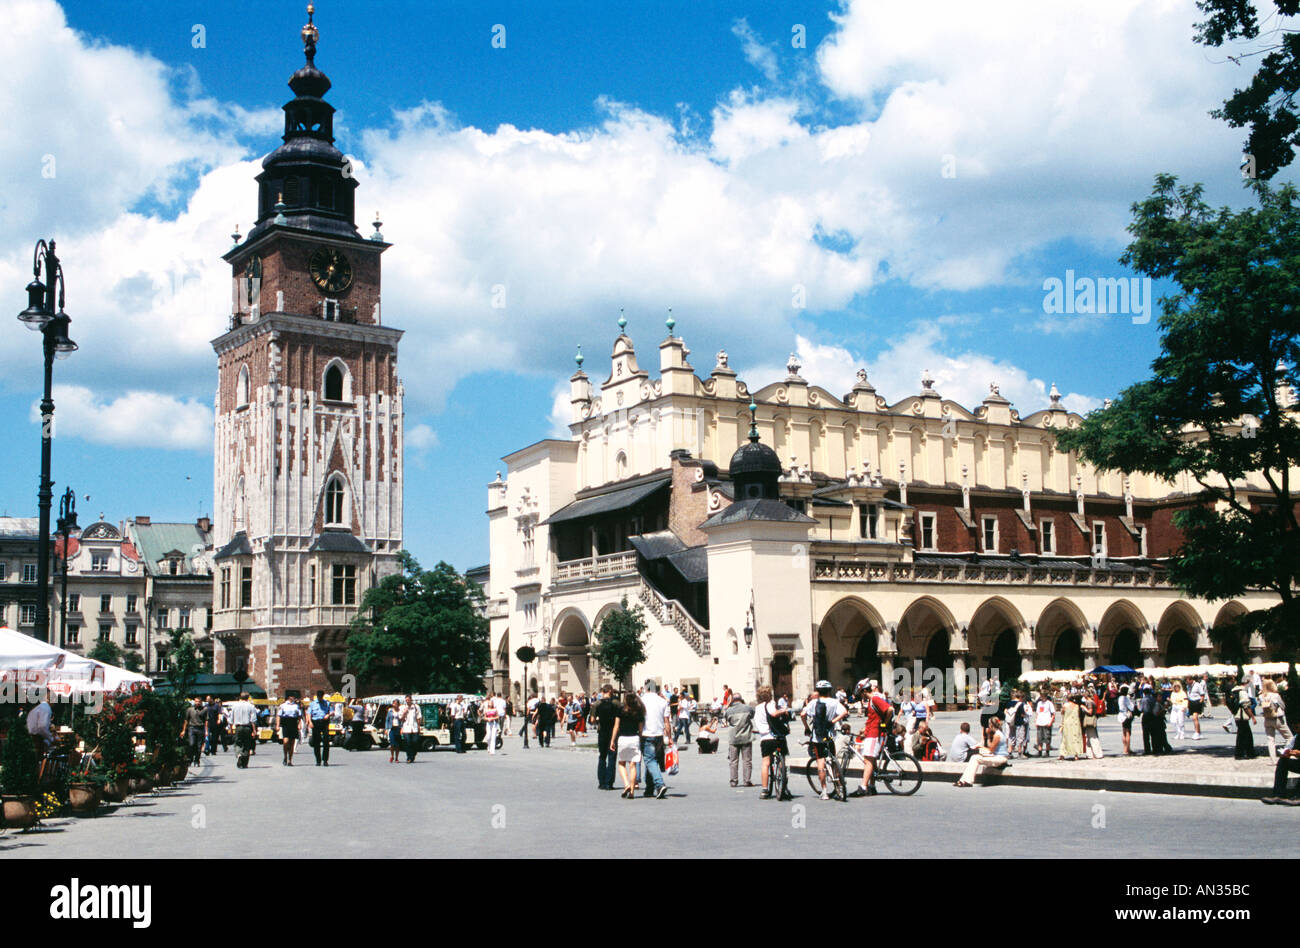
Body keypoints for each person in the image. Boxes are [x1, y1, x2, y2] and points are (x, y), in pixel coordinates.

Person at [802, 680, 848, 800]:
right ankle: (838, 783)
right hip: (830, 735)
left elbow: (802, 714)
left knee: (820, 762)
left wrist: (806, 727)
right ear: (829, 690)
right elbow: (844, 712)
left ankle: (824, 791)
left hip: (818, 736)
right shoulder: (834, 702)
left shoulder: (813, 703)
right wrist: (833, 721)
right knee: (833, 759)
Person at [849, 680, 893, 798]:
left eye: (860, 692)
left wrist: (884, 723)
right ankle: (872, 786)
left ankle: (863, 787)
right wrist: (865, 729)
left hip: (875, 734)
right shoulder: (871, 701)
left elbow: (889, 709)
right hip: (870, 733)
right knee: (871, 760)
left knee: (868, 760)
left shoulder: (874, 699)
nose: (860, 695)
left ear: (864, 691)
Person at [753, 685, 790, 800]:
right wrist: (784, 710)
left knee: (765, 763)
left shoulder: (757, 708)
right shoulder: (769, 704)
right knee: (781, 759)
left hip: (764, 738)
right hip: (775, 736)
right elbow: (774, 714)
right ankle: (784, 786)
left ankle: (764, 790)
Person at [639, 680, 672, 799]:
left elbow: (640, 719)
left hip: (646, 733)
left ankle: (659, 784)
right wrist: (670, 737)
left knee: (649, 760)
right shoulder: (663, 701)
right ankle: (649, 789)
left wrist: (639, 733)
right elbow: (667, 722)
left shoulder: (641, 700)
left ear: (646, 688)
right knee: (653, 760)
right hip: (659, 735)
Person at [609, 691, 645, 798]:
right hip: (634, 738)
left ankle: (626, 784)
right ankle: (632, 791)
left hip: (623, 738)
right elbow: (641, 729)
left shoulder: (620, 710)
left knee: (621, 763)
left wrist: (612, 740)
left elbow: (616, 726)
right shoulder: (638, 712)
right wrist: (641, 739)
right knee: (633, 765)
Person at [954, 717, 1008, 787]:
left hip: (1000, 758)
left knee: (975, 758)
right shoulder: (999, 733)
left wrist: (983, 743)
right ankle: (964, 780)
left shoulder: (997, 735)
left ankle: (967, 781)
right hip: (998, 756)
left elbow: (991, 750)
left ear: (991, 725)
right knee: (974, 757)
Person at [724, 692, 755, 788]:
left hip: (733, 738)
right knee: (747, 760)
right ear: (741, 699)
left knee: (733, 761)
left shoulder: (729, 710)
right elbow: (752, 715)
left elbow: (726, 718)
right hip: (746, 737)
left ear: (733, 700)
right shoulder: (748, 708)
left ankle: (733, 781)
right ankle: (747, 780)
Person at [1261, 733, 1300, 805]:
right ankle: (1279, 795)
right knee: (1283, 761)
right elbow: (1288, 748)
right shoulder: (1296, 737)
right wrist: (1286, 753)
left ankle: (1298, 797)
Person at [1259, 679, 1293, 761]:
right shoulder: (1276, 696)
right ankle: (1285, 754)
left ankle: (1273, 759)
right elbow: (1283, 706)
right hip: (1277, 718)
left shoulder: (1261, 696)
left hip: (1267, 719)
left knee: (1270, 740)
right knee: (1290, 738)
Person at [593, 685, 619, 789]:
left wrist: (598, 721)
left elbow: (592, 720)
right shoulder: (616, 703)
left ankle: (601, 781)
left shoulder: (597, 704)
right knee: (612, 757)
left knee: (602, 756)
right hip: (613, 732)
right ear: (610, 691)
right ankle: (609, 782)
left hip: (602, 732)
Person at [1229, 678, 1257, 759]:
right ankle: (1245, 753)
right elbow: (1245, 706)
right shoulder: (1243, 692)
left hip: (1237, 715)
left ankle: (1243, 753)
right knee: (1246, 736)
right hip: (1242, 716)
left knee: (1242, 735)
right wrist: (1252, 717)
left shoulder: (1234, 691)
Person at [308, 690, 333, 766]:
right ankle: (318, 760)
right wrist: (310, 722)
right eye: (319, 697)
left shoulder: (327, 703)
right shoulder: (313, 704)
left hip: (324, 722)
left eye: (321, 697)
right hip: (315, 722)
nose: (320, 698)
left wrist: (328, 715)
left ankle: (325, 760)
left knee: (326, 741)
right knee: (316, 742)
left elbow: (332, 711)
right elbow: (309, 713)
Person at [276, 694, 303, 765]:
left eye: (294, 696)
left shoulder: (296, 706)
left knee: (292, 743)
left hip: (293, 723)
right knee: (286, 742)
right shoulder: (283, 705)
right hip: (286, 723)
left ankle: (290, 760)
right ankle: (285, 756)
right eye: (292, 696)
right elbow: (279, 715)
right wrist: (278, 725)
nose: (293, 697)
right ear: (289, 697)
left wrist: (299, 724)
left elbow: (299, 716)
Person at [1059, 692, 1084, 760]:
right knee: (1075, 738)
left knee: (1065, 738)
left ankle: (1062, 755)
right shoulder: (1076, 706)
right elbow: (1078, 714)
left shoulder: (1065, 705)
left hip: (1067, 723)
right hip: (1075, 723)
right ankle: (1076, 755)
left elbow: (1062, 712)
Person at [181, 697, 207, 765]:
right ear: (194, 702)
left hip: (200, 728)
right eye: (196, 701)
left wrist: (206, 731)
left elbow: (206, 721)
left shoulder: (204, 709)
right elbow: (186, 720)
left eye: (199, 701)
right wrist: (183, 730)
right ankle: (190, 758)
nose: (197, 703)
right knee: (191, 744)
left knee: (199, 746)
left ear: (201, 702)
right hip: (192, 728)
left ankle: (197, 760)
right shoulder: (190, 709)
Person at [1004, 690, 1029, 758]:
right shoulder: (1021, 704)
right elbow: (1023, 714)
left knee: (1011, 737)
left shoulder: (1009, 703)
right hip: (1019, 723)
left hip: (1010, 722)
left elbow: (1006, 711)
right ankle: (1020, 753)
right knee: (1020, 738)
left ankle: (1009, 752)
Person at [399, 694, 423, 763]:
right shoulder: (402, 707)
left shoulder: (416, 707)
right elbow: (401, 719)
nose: (407, 701)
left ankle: (413, 754)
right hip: (406, 727)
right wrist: (404, 713)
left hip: (414, 727)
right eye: (406, 700)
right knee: (408, 742)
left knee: (415, 742)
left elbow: (419, 717)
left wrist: (419, 726)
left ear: (411, 700)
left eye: (408, 700)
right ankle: (409, 757)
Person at [1033, 690, 1056, 757]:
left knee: (1047, 738)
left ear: (1045, 696)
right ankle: (1039, 751)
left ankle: (1047, 751)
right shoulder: (1039, 703)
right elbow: (1037, 713)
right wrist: (1036, 721)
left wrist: (1051, 722)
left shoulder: (1049, 703)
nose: (1041, 697)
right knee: (1039, 738)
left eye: (1043, 696)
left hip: (1047, 722)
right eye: (1041, 696)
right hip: (1040, 722)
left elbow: (1053, 714)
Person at [1117, 684, 1135, 754]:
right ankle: (1127, 749)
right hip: (1126, 715)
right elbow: (1131, 707)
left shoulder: (1119, 698)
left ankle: (1124, 748)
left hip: (1121, 715)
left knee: (1124, 732)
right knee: (1128, 733)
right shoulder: (1126, 698)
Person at [483, 690, 502, 756]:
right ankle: (488, 746)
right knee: (488, 736)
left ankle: (492, 750)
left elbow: (497, 716)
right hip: (488, 723)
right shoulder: (486, 710)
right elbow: (484, 717)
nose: (490, 704)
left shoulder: (495, 709)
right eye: (489, 703)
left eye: (491, 703)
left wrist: (493, 718)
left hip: (494, 723)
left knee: (493, 737)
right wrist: (487, 718)